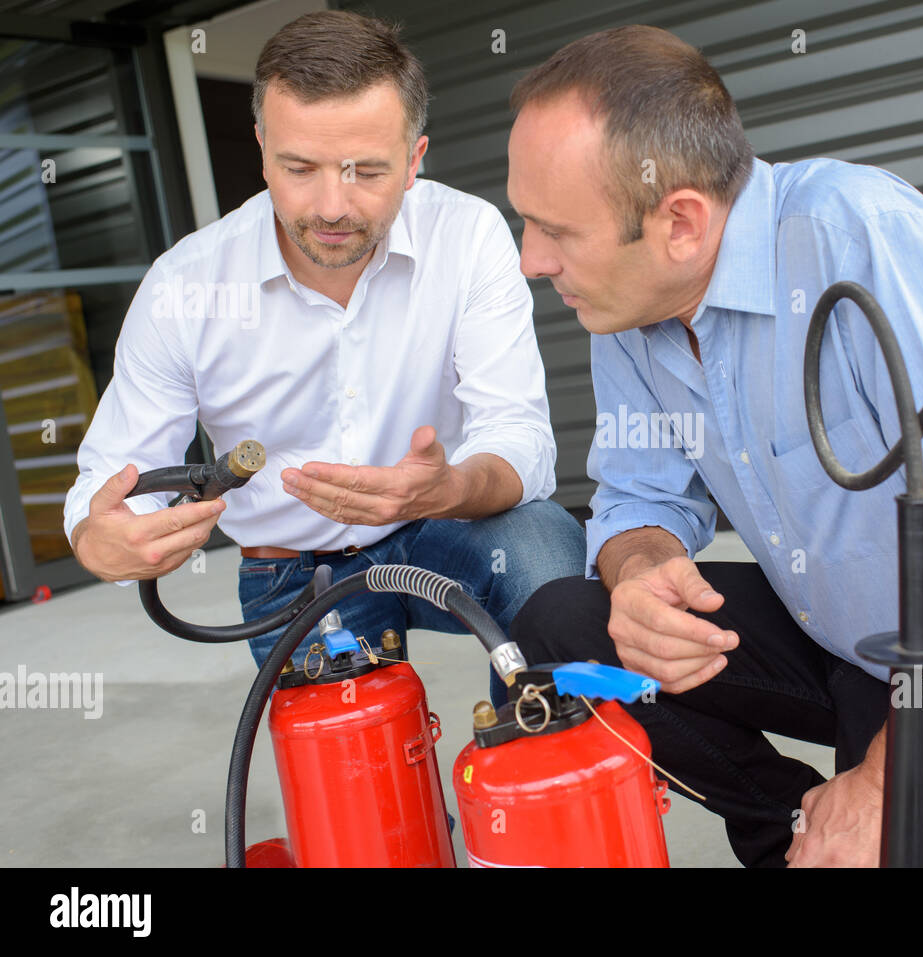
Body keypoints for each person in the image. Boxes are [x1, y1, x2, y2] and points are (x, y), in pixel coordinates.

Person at [505, 25, 923, 866]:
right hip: (828, 634)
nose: (530, 260)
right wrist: (641, 575)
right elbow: (640, 499)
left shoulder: (862, 239)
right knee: (561, 634)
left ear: (679, 222)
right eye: (524, 224)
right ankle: (790, 826)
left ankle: (855, 816)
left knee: (919, 842)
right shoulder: (625, 298)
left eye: (555, 231)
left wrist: (879, 785)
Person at [63, 11, 584, 704]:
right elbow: (114, 480)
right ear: (260, 148)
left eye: (367, 170)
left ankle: (531, 787)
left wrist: (447, 489)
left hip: (447, 530)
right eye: (299, 168)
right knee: (355, 789)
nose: (332, 206)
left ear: (415, 158)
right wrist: (98, 535)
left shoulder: (468, 237)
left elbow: (520, 439)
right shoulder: (185, 285)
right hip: (292, 574)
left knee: (544, 546)